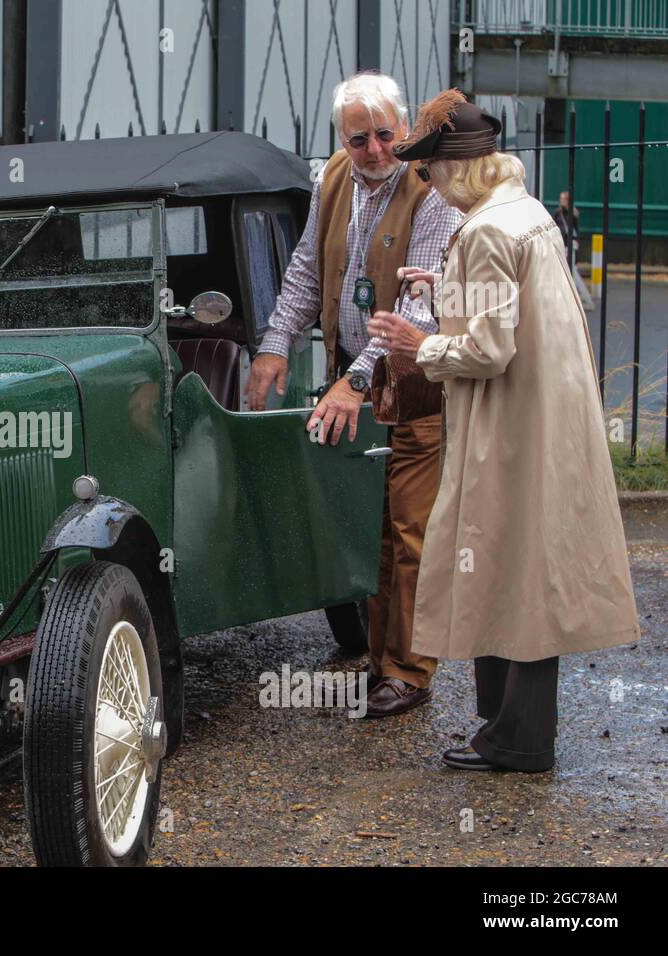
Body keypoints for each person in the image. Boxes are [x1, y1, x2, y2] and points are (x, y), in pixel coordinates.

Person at [368, 89, 640, 771]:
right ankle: (505, 729)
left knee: (514, 576)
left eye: (428, 173)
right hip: (541, 420)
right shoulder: (522, 212)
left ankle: (517, 740)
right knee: (518, 572)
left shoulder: (487, 230)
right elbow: (513, 311)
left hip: (511, 427)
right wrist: (448, 284)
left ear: (452, 170)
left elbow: (488, 351)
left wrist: (415, 345)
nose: (425, 185)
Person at [245, 71, 461, 717]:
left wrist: (356, 377)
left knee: (408, 530)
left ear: (405, 126)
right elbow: (308, 266)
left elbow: (417, 308)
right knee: (364, 525)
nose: (372, 149)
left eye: (384, 135)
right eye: (357, 137)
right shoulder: (335, 175)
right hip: (354, 377)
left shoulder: (429, 185)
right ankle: (379, 659)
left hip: (414, 386)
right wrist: (275, 342)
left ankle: (410, 672)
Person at [554, 191, 594, 309]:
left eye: (563, 199)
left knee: (572, 273)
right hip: (562, 244)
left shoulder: (572, 214)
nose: (561, 201)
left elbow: (575, 230)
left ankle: (585, 298)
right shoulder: (558, 213)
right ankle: (574, 298)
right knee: (569, 272)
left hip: (569, 245)